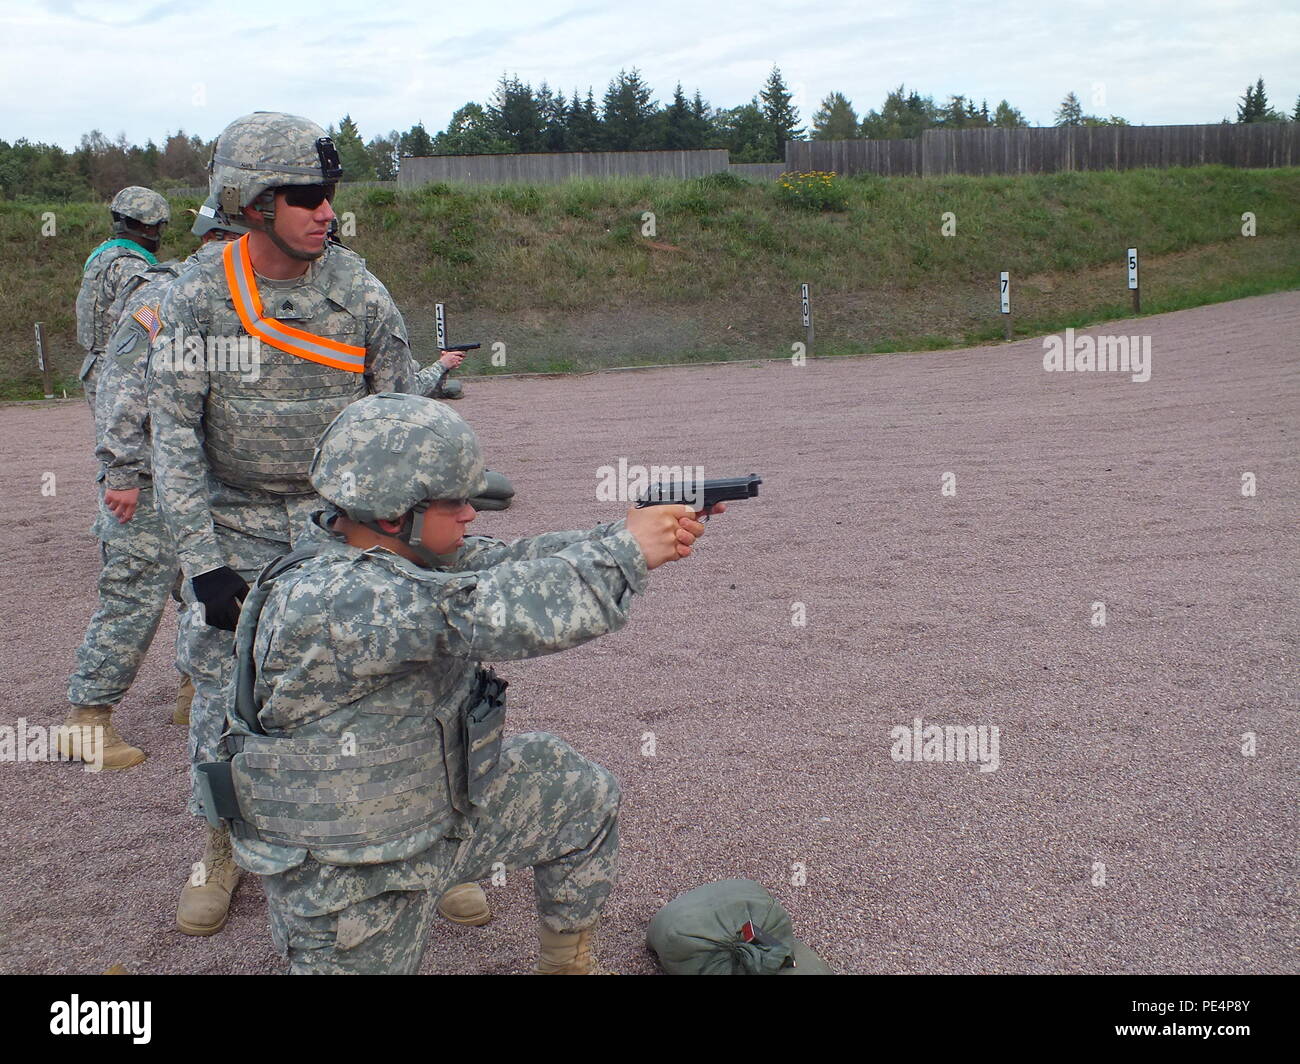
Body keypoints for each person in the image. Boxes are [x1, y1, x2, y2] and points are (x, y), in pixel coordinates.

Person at [200, 393, 717, 973]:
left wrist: (624, 533)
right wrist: (628, 553)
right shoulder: (336, 596)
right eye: (457, 503)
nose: (472, 513)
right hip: (351, 873)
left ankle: (568, 963)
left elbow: (507, 563)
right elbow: (505, 609)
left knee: (578, 792)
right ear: (396, 515)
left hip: (437, 812)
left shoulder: (391, 550)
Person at [147, 111, 497, 937]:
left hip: (348, 526)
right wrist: (203, 566)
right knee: (220, 686)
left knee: (417, 669)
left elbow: (403, 420)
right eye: (304, 196)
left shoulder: (359, 293)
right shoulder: (197, 297)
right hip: (236, 522)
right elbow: (174, 437)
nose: (326, 211)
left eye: (329, 194)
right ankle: (221, 845)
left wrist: (414, 539)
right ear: (250, 204)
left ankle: (440, 841)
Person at [58, 200, 248, 772]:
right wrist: (121, 472)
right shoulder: (164, 293)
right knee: (134, 592)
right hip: (146, 476)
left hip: (196, 479)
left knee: (201, 584)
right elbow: (120, 383)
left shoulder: (236, 297)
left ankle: (193, 691)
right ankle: (87, 721)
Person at [76, 186, 170, 413]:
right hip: (122, 370)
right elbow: (147, 320)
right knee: (130, 444)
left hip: (96, 366)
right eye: (158, 226)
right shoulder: (131, 265)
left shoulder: (102, 254)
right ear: (146, 226)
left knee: (108, 441)